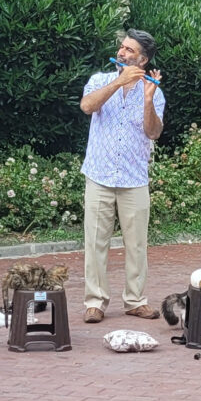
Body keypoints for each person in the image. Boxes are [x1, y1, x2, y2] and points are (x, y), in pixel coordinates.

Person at [80, 29, 166, 323]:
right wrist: (119, 81)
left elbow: (153, 132)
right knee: (95, 243)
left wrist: (148, 100)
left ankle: (135, 300)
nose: (122, 52)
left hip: (133, 179)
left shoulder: (153, 89)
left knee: (137, 245)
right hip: (99, 175)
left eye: (129, 50)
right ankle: (95, 302)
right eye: (121, 47)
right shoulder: (100, 80)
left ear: (142, 59)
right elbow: (87, 106)